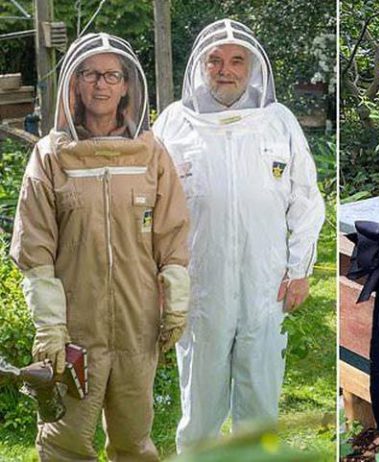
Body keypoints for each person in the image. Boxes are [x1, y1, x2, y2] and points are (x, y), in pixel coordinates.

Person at [10, 33, 190, 461]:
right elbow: (35, 249)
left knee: (134, 439)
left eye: (112, 75)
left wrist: (176, 302)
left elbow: (172, 235)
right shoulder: (50, 156)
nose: (101, 84)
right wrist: (50, 325)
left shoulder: (151, 154)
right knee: (65, 441)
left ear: (127, 85)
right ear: (74, 83)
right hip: (74, 325)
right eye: (90, 74)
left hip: (137, 320)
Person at [152, 19, 325, 451]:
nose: (225, 70)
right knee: (200, 403)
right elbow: (150, 208)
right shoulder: (173, 124)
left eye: (236, 61)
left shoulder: (278, 121)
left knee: (260, 397)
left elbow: (305, 198)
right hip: (200, 286)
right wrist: (158, 277)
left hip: (265, 283)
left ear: (252, 68)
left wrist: (299, 270)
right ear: (200, 65)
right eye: (215, 60)